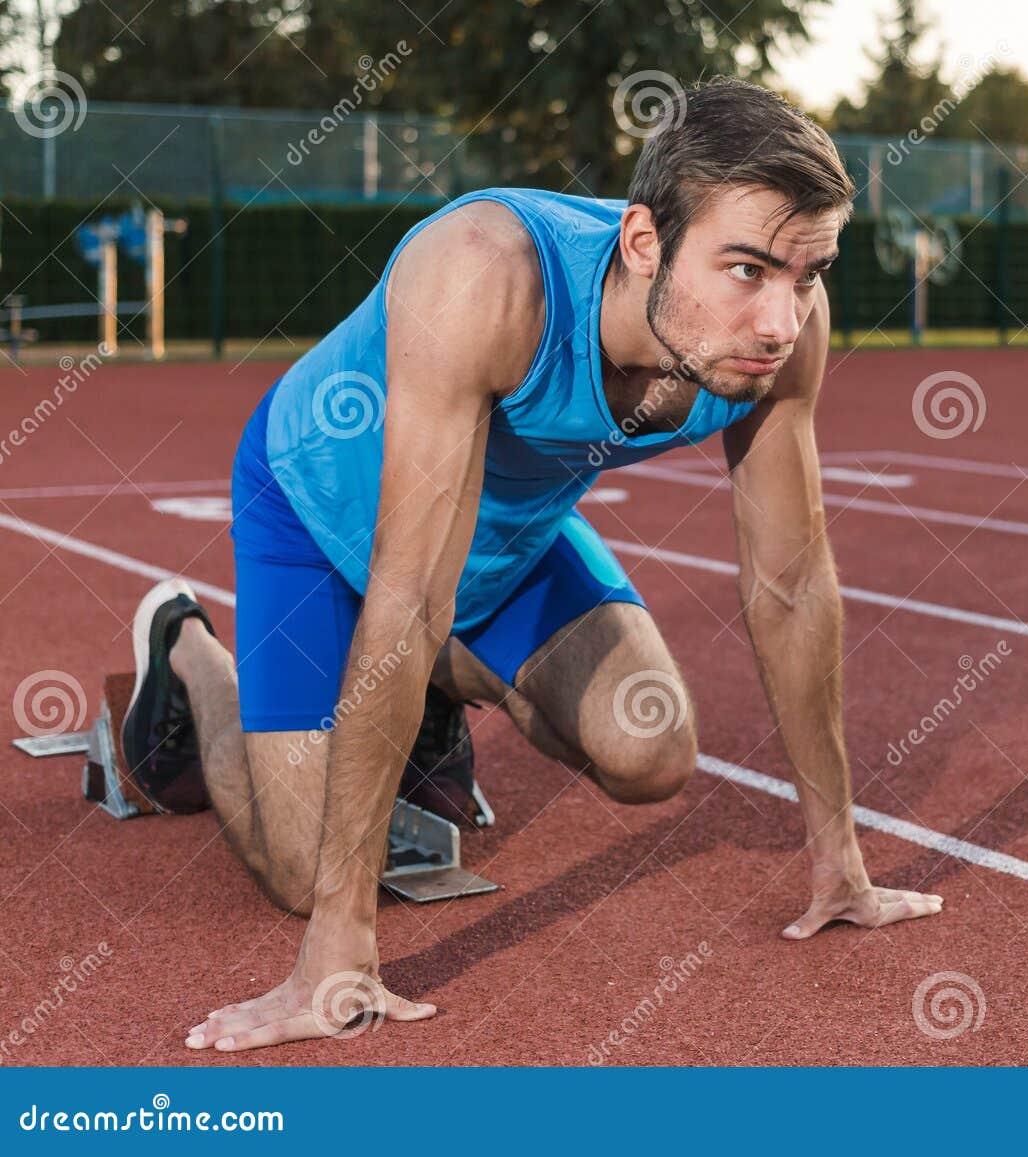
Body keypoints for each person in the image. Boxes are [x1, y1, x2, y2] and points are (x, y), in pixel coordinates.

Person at [121, 77, 942, 1055]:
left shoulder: (777, 337)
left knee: (650, 752)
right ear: (644, 242)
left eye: (805, 274)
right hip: (317, 510)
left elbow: (792, 584)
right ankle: (191, 655)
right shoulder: (484, 273)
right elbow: (410, 592)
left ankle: (427, 702)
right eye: (749, 270)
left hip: (502, 539)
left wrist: (837, 857)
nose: (779, 320)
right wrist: (337, 956)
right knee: (309, 872)